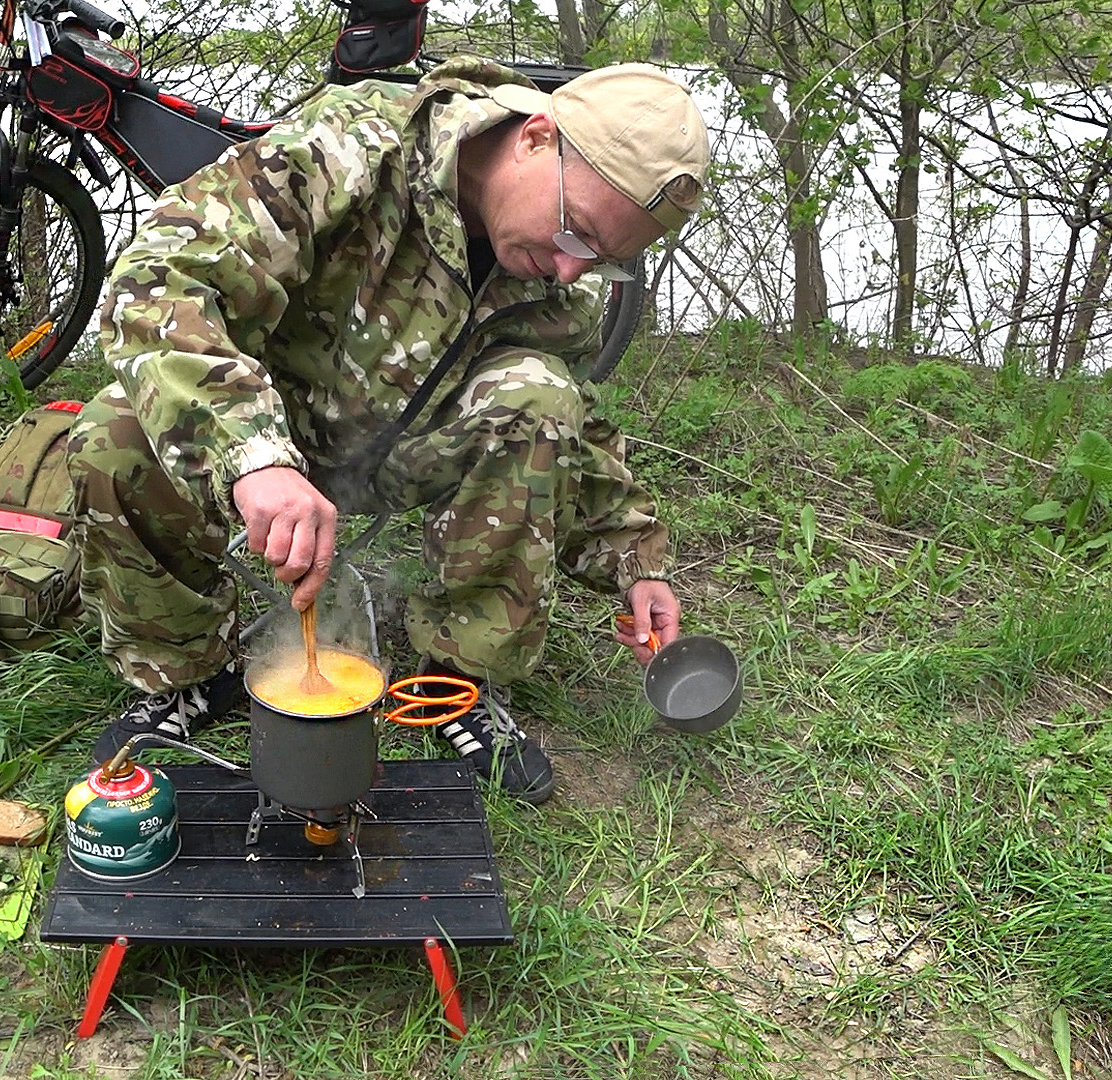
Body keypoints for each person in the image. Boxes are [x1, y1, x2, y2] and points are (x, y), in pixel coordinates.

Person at [67, 56, 710, 804]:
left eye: (604, 259)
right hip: (269, 422)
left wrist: (635, 561)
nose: (573, 273)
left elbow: (577, 422)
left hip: (404, 455)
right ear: (537, 136)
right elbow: (159, 281)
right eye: (579, 233)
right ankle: (189, 672)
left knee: (540, 395)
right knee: (114, 430)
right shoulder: (356, 145)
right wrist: (254, 457)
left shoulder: (555, 278)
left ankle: (453, 679)